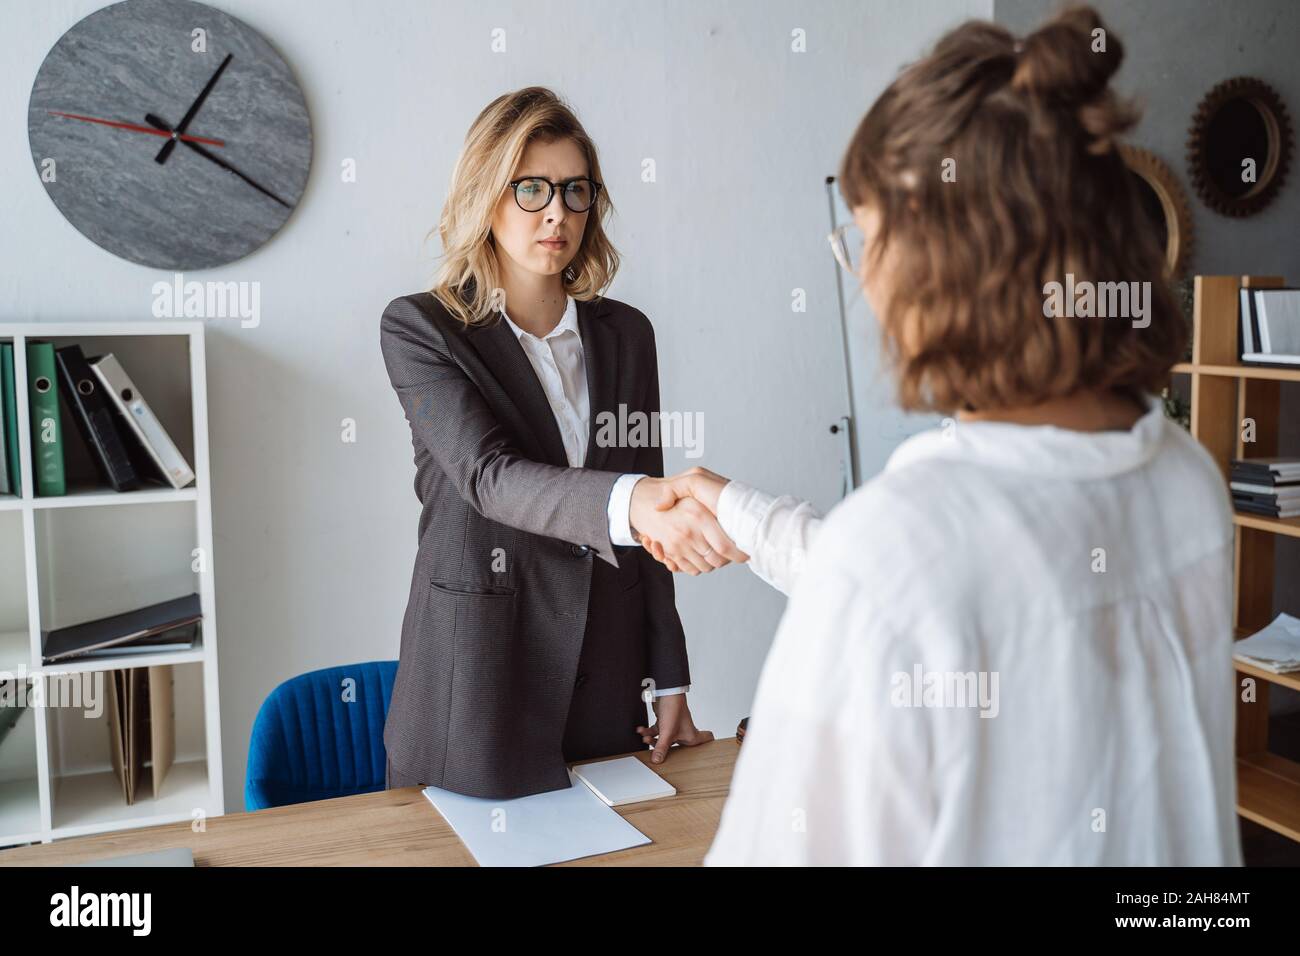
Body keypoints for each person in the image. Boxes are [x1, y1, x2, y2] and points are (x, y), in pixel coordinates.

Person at [642, 6, 1242, 865]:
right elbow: (977, 600)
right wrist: (740, 512)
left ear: (947, 264)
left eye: (866, 239)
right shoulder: (1187, 480)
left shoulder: (900, 548)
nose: (860, 276)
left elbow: (924, 592)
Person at [378, 87, 743, 799]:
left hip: (605, 680)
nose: (558, 212)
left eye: (576, 191)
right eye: (533, 189)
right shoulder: (422, 330)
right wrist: (634, 499)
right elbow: (489, 475)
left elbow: (651, 518)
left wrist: (669, 672)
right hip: (475, 688)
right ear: (488, 195)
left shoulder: (626, 334)